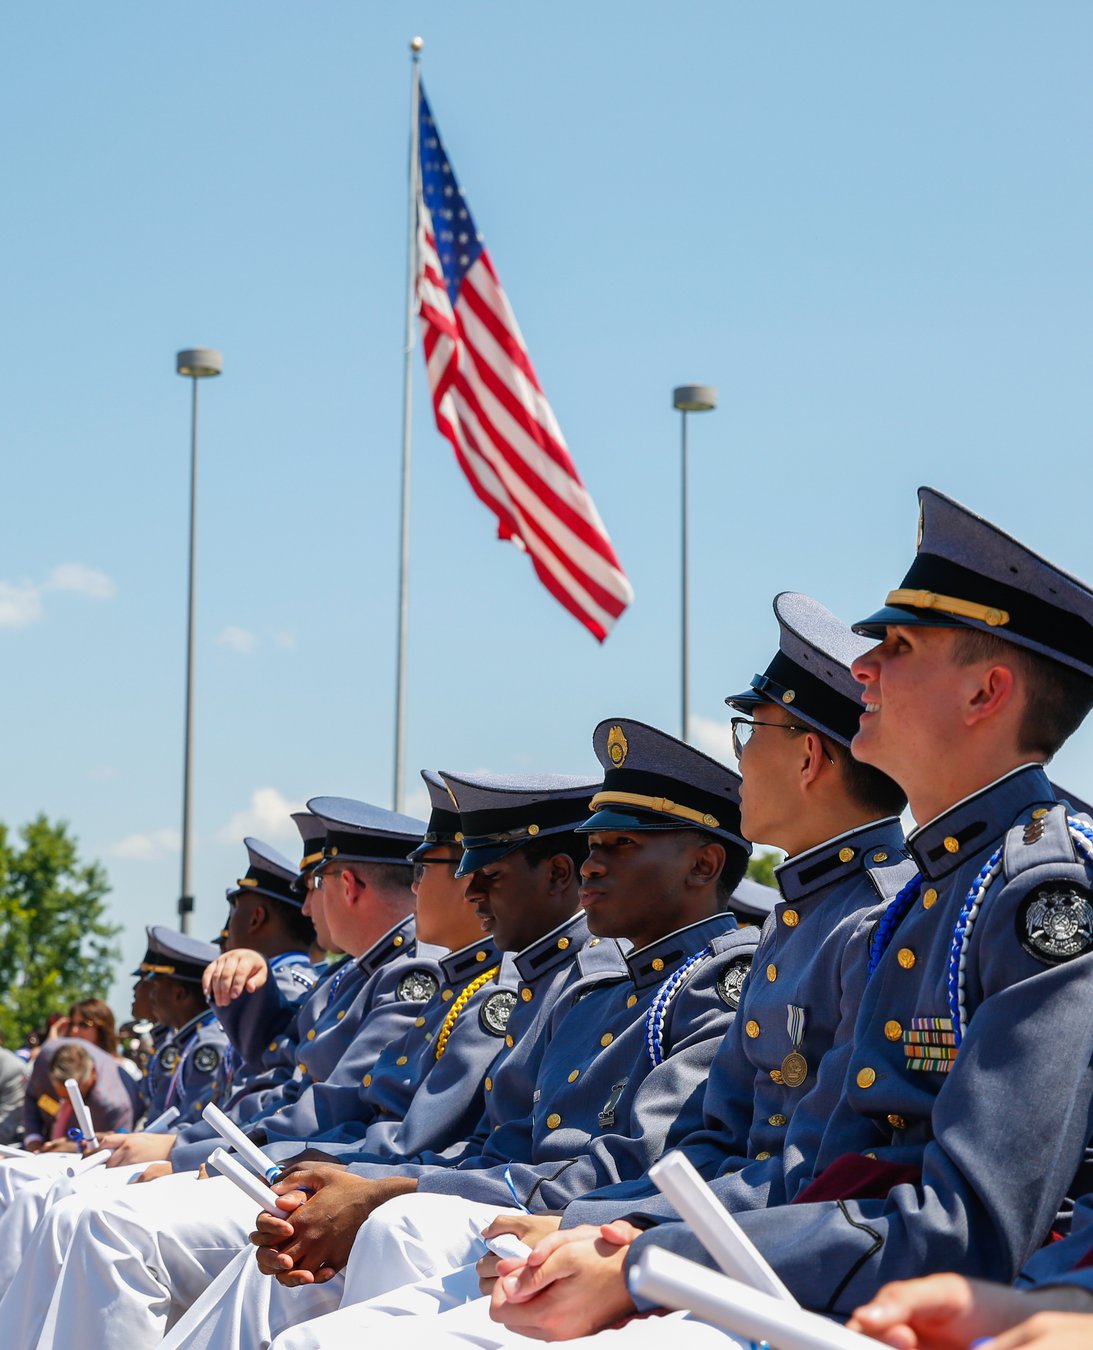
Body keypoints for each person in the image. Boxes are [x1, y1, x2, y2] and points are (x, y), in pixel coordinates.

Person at [180, 722, 762, 1350]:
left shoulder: (717, 981)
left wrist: (391, 1189)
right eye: (593, 844)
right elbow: (500, 1145)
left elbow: (640, 1165)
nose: (592, 865)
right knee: (304, 1259)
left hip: (607, 1227)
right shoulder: (594, 994)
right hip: (533, 1213)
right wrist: (365, 1185)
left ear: (703, 864)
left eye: (619, 845)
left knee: (395, 1230)